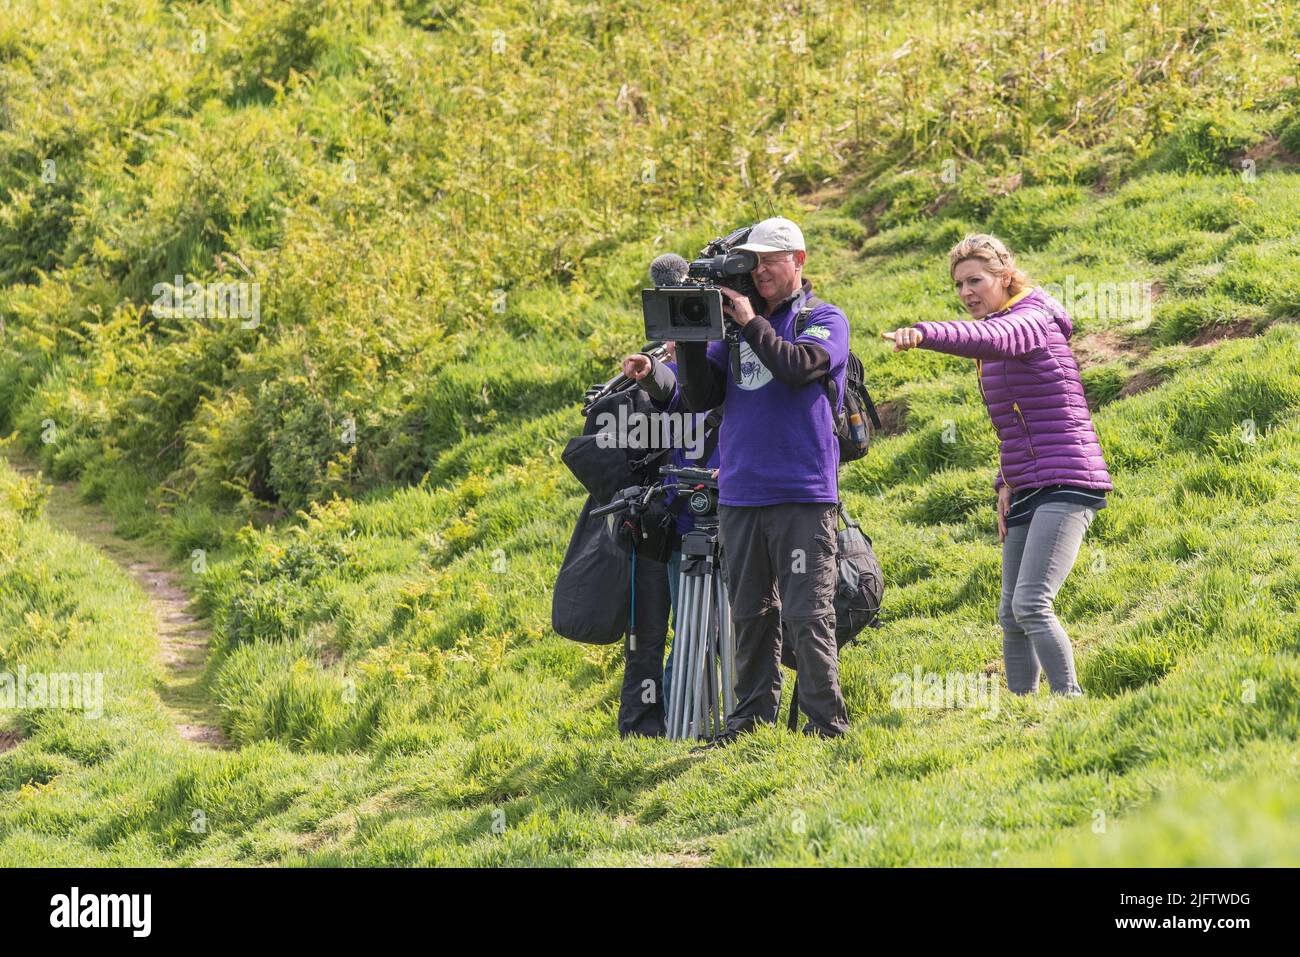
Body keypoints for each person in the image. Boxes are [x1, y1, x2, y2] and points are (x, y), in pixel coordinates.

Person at [882, 233, 1112, 696]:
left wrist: (926, 333)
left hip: (1068, 478)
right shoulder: (1007, 325)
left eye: (975, 281)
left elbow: (995, 337)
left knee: (1032, 604)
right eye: (960, 286)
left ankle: (1070, 701)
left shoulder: (1031, 320)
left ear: (1005, 277)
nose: (967, 293)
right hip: (1029, 483)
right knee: (1009, 613)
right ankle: (1021, 707)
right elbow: (1018, 424)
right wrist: (1005, 481)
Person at [674, 216, 851, 740]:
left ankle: (826, 724)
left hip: (802, 490)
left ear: (798, 260)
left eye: (770, 260)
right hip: (740, 491)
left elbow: (798, 367)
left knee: (807, 613)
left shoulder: (824, 318)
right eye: (752, 261)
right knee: (749, 614)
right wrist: (689, 336)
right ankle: (751, 722)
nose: (760, 271)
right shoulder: (732, 331)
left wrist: (752, 322)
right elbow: (701, 397)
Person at [621, 343, 722, 718]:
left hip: (745, 511)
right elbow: (670, 393)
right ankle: (683, 722)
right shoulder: (674, 373)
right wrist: (650, 371)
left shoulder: (736, 356)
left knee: (740, 628)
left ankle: (739, 723)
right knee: (693, 632)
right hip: (686, 520)